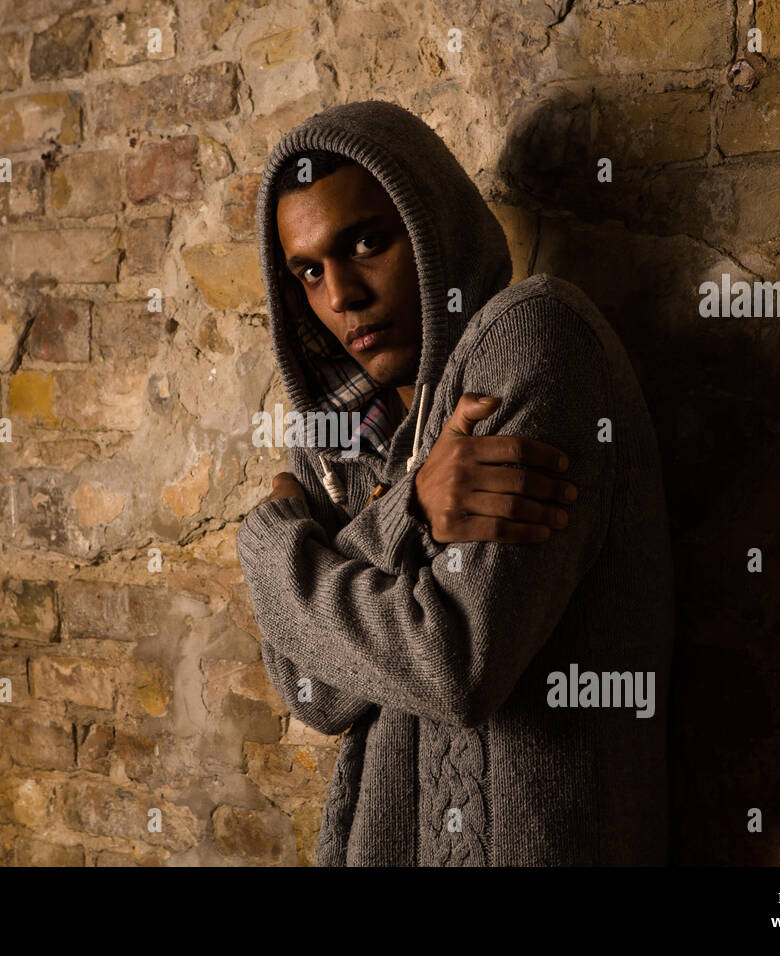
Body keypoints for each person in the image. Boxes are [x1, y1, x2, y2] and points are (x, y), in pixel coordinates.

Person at [235, 100, 675, 865]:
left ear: (433, 226)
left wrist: (272, 549)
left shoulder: (533, 341)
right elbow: (315, 696)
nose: (341, 296)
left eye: (367, 242)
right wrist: (410, 510)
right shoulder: (332, 437)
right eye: (309, 272)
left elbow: (453, 668)